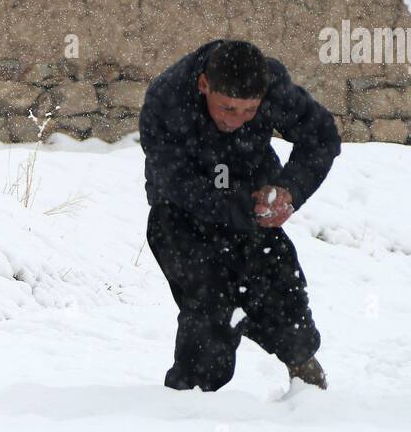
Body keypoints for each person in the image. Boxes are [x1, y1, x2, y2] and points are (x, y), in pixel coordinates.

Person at [139, 39, 341, 392]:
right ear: (204, 85)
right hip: (179, 218)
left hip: (251, 218)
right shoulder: (166, 99)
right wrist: (241, 205)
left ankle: (304, 376)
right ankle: (191, 401)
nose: (236, 120)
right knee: (211, 304)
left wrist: (290, 189)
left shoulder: (272, 84)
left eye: (249, 111)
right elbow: (175, 181)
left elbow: (321, 135)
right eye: (227, 108)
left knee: (283, 292)